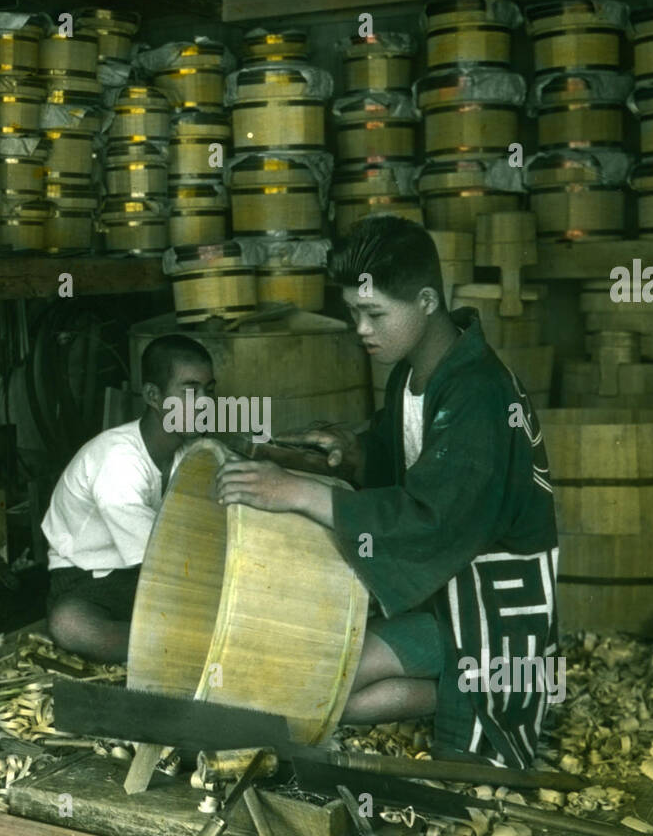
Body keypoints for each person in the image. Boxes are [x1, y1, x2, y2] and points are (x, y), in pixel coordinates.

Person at [215, 216, 560, 770]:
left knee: (331, 679)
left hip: (488, 605)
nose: (361, 328)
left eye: (375, 313)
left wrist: (302, 493)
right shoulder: (412, 373)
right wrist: (355, 452)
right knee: (328, 687)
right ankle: (466, 691)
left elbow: (433, 514)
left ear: (426, 300)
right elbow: (408, 461)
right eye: (354, 312)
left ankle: (490, 693)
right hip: (443, 585)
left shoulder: (478, 392)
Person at [42, 334, 216, 663]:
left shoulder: (188, 452)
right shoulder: (117, 461)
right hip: (90, 579)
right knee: (70, 623)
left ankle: (171, 640)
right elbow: (164, 561)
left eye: (210, 390)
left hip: (144, 571)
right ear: (153, 395)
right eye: (191, 391)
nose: (205, 403)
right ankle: (179, 649)